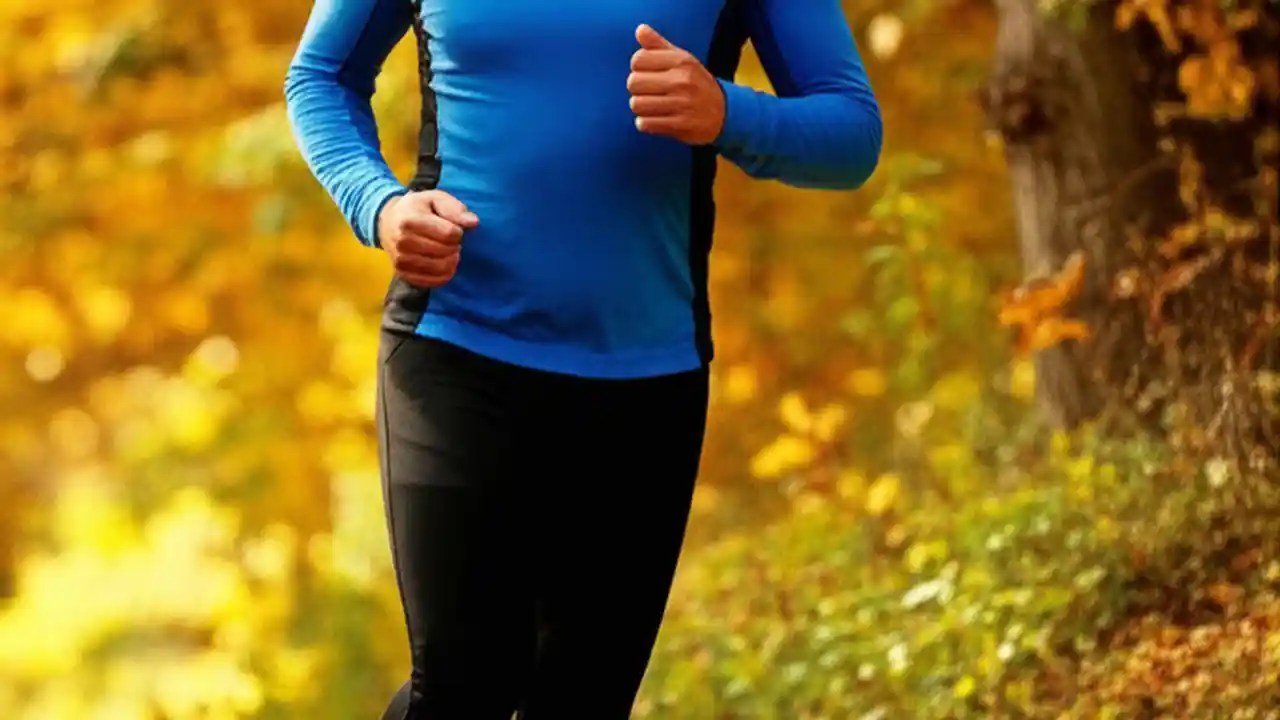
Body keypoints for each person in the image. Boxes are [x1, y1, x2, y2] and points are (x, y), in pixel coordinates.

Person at [283, 0, 881, 716]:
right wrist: (378, 205)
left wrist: (728, 112)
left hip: (645, 376)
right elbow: (320, 75)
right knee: (466, 680)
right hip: (457, 344)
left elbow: (852, 132)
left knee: (580, 700)